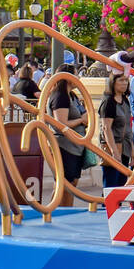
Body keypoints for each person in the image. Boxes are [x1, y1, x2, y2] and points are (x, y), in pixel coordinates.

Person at [47, 68, 88, 206]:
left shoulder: (72, 96)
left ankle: (66, 210)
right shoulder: (60, 96)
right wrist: (81, 120)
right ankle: (58, 211)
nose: (78, 77)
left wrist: (85, 120)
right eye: (76, 74)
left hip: (76, 145)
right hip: (64, 145)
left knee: (72, 182)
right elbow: (60, 124)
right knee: (64, 183)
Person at [99, 69, 134, 189]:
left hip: (125, 146)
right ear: (113, 82)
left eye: (126, 80)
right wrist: (114, 152)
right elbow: (106, 128)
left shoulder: (125, 100)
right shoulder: (109, 102)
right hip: (113, 146)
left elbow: (128, 127)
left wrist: (132, 152)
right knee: (111, 183)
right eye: (121, 80)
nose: (124, 83)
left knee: (121, 183)